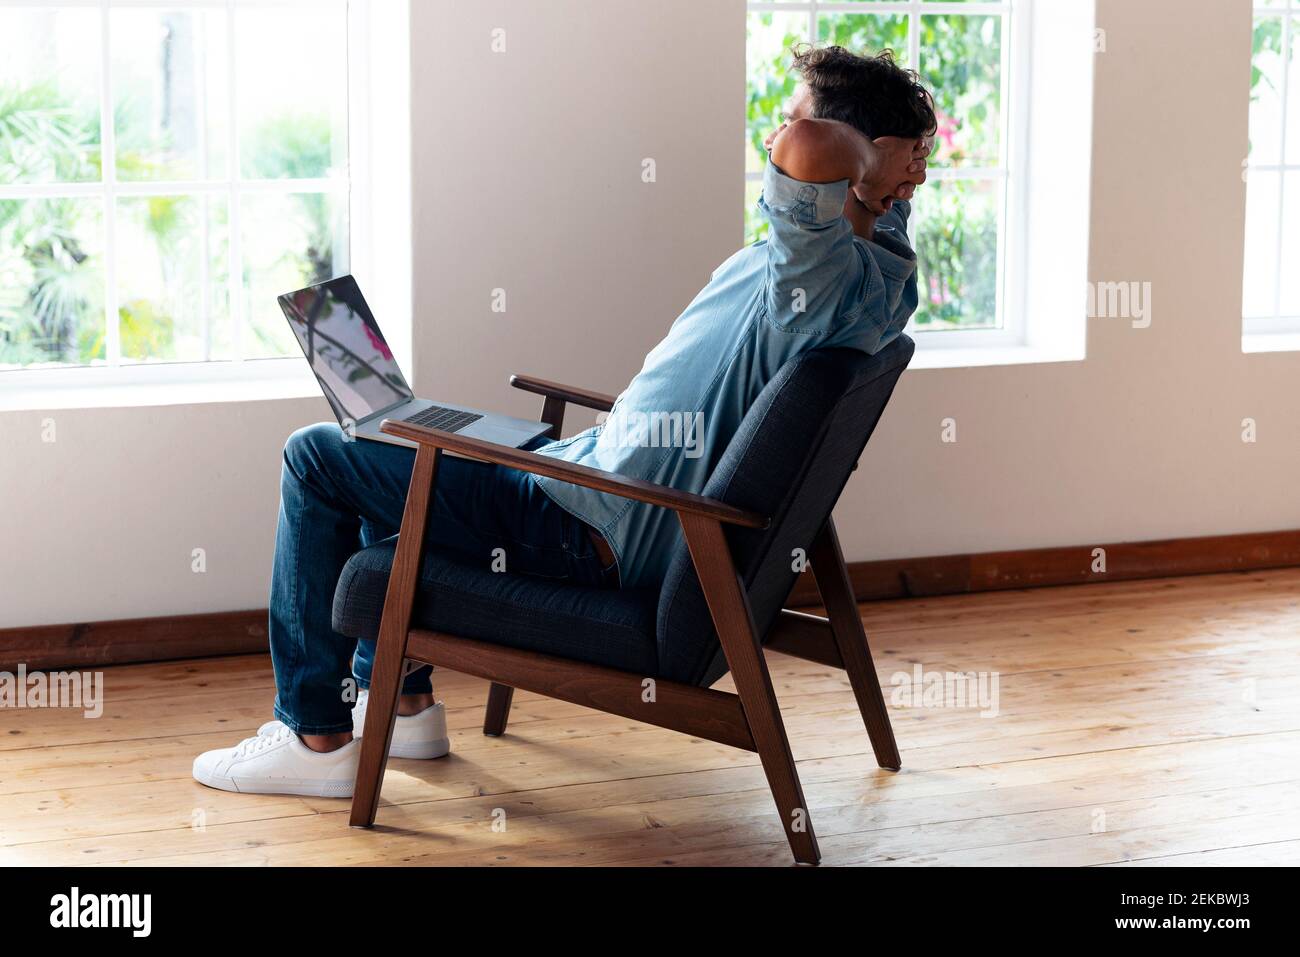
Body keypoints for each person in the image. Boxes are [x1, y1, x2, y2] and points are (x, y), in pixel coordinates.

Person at [192, 45, 936, 798]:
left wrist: (873, 156)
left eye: (796, 121)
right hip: (581, 478)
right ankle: (407, 706)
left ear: (855, 157)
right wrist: (882, 172)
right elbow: (822, 161)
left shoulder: (818, 278)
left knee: (317, 455)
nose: (779, 138)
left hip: (584, 525)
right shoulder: (875, 270)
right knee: (391, 443)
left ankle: (313, 736)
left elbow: (809, 150)